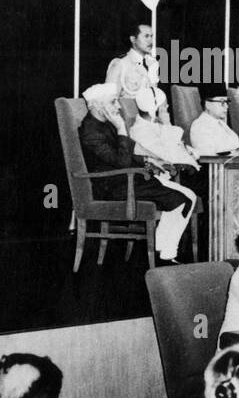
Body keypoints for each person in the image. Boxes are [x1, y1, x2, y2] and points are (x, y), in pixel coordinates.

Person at [79, 83, 195, 263]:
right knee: (181, 201)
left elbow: (131, 147)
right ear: (96, 106)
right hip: (111, 188)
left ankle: (164, 251)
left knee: (185, 199)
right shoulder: (90, 132)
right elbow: (122, 162)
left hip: (126, 180)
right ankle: (164, 253)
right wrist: (121, 128)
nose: (118, 106)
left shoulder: (104, 123)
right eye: (113, 102)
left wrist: (154, 159)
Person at [105, 22, 167, 124]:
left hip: (151, 123)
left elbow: (154, 98)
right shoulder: (121, 64)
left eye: (152, 36)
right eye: (146, 36)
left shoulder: (152, 64)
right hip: (129, 124)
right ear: (133, 39)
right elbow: (109, 101)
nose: (150, 40)